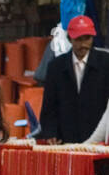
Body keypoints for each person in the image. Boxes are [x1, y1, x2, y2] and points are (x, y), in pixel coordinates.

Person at [38, 15, 109, 144]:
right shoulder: (56, 68)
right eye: (78, 39)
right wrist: (51, 133)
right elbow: (49, 108)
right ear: (69, 39)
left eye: (87, 38)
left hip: (99, 142)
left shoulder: (105, 63)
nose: (83, 44)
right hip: (65, 140)